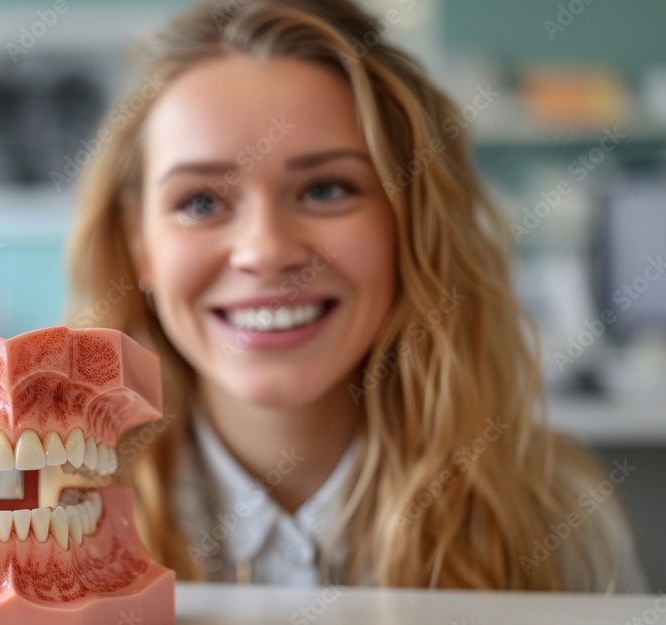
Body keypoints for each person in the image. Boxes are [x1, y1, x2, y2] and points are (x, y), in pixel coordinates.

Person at [66, 0, 647, 592]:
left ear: (412, 224)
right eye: (201, 203)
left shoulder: (558, 522)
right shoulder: (51, 516)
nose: (265, 251)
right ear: (139, 241)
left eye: (326, 189)